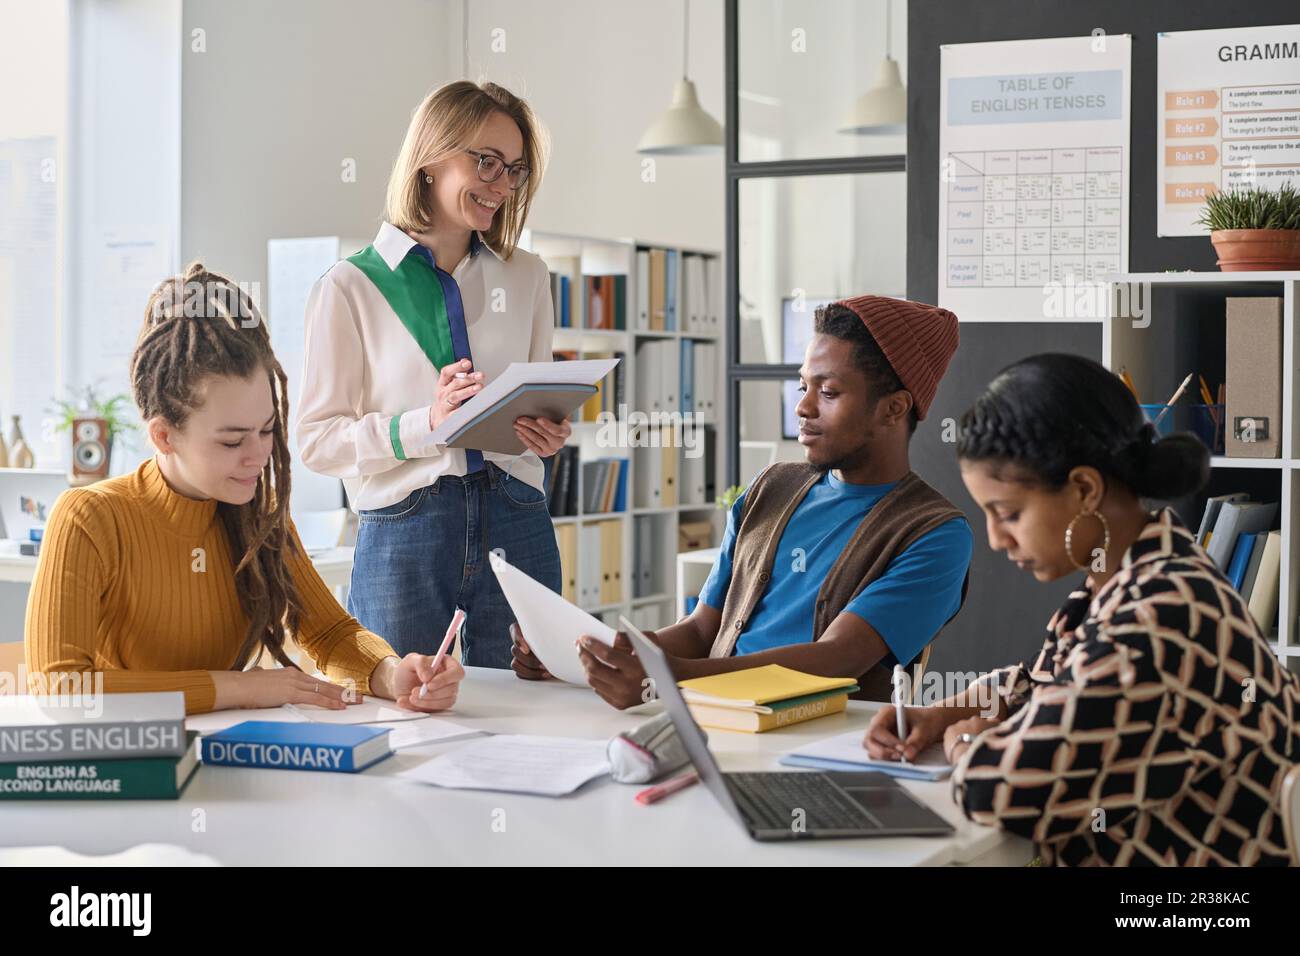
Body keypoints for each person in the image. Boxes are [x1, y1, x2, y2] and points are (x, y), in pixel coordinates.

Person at [865, 352, 1300, 866]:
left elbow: (1002, 792)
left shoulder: (1157, 618)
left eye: (1007, 514)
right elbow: (1045, 682)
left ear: (1085, 490)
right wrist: (942, 713)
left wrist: (963, 743)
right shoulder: (1139, 575)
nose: (996, 539)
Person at [24, 263, 464, 715]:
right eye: (232, 440)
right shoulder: (88, 518)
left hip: (225, 754)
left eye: (267, 430)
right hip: (127, 764)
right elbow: (61, 687)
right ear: (163, 436)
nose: (257, 456)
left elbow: (331, 634)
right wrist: (237, 688)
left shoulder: (259, 514)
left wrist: (392, 674)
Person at [515, 295, 973, 708]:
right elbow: (700, 630)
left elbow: (836, 660)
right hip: (709, 718)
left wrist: (669, 680)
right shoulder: (770, 488)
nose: (803, 408)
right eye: (803, 387)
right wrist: (593, 653)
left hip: (816, 741)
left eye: (828, 392)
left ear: (894, 408)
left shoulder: (934, 533)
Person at [297, 80, 567, 668]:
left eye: (514, 170)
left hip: (517, 519)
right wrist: (427, 423)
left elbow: (537, 403)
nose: (500, 184)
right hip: (406, 531)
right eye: (486, 161)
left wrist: (543, 436)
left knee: (534, 714)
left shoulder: (528, 276)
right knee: (405, 722)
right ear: (429, 160)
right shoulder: (352, 287)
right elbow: (315, 440)